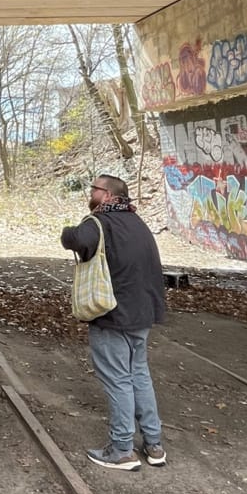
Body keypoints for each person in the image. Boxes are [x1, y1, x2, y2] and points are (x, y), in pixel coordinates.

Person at [59, 175, 168, 471]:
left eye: (94, 189)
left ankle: (121, 449)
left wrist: (68, 230)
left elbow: (75, 239)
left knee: (118, 379)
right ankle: (154, 444)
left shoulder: (99, 223)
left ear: (106, 195)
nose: (90, 193)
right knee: (139, 375)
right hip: (143, 313)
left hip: (113, 315)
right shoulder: (138, 223)